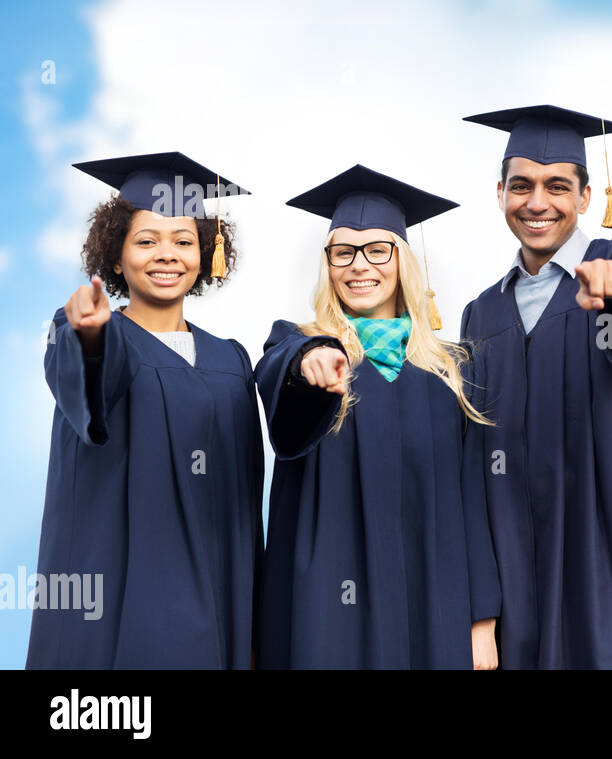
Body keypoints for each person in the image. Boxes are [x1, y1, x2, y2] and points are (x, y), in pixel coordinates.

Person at [459, 105, 612, 668]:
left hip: (611, 575)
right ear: (500, 192)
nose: (537, 203)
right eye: (521, 186)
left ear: (585, 197)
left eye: (558, 186)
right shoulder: (480, 315)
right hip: (517, 592)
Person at [255, 164, 500, 669]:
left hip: (432, 601)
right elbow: (279, 377)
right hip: (324, 605)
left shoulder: (450, 371)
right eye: (342, 252)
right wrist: (311, 363)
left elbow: (473, 502)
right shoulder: (297, 344)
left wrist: (482, 622)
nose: (358, 265)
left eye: (376, 250)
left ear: (402, 260)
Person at [28, 152, 261, 668]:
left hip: (220, 603)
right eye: (146, 240)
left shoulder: (231, 359)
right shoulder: (88, 334)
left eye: (183, 241)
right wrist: (89, 336)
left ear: (205, 255)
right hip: (120, 605)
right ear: (115, 256)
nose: (167, 255)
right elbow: (90, 383)